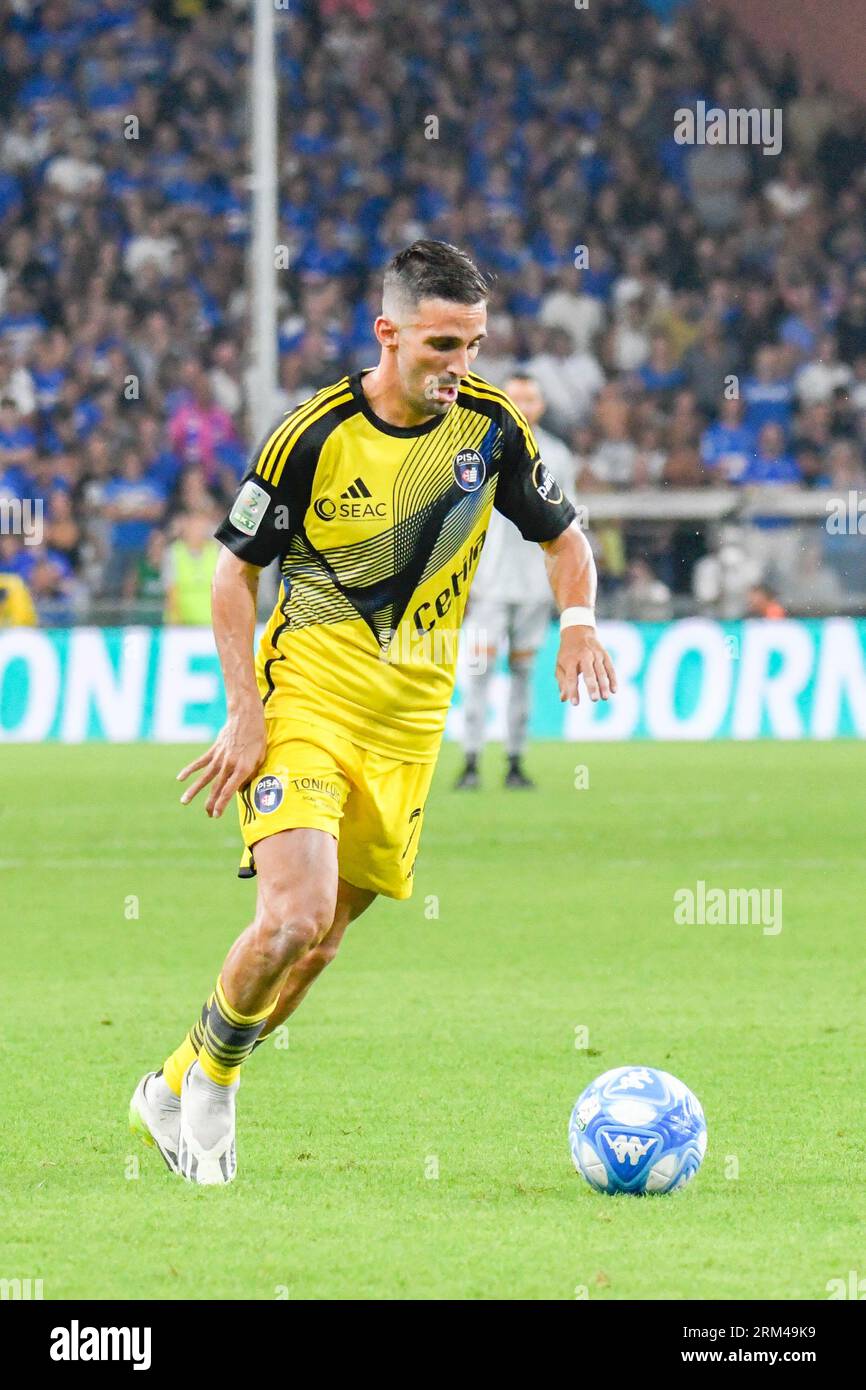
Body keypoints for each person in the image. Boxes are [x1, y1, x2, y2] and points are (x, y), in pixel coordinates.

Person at [129, 240, 616, 1185]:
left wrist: (578, 623)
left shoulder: (492, 432)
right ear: (388, 334)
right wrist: (245, 709)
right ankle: (216, 1090)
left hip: (410, 725)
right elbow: (235, 573)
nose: (460, 366)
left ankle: (171, 1082)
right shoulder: (310, 434)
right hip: (307, 698)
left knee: (318, 947)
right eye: (442, 345)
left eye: (473, 345)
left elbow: (566, 540)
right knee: (291, 916)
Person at [455, 373, 571, 790]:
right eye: (515, 398)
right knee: (478, 673)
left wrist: (561, 587)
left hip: (535, 589)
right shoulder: (480, 449)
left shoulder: (557, 455)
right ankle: (470, 760)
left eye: (531, 398)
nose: (523, 405)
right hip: (488, 584)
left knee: (523, 675)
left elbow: (566, 529)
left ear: (541, 405)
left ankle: (515, 761)